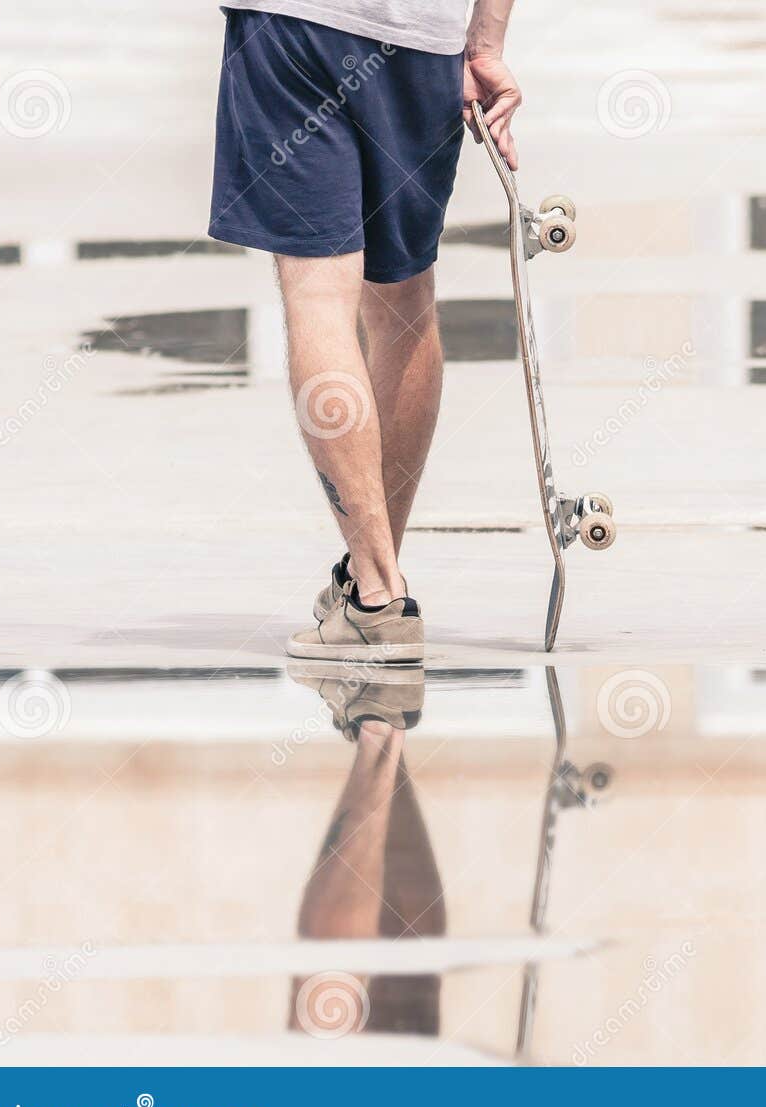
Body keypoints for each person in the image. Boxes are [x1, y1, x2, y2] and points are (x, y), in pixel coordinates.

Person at [208, 0, 524, 663]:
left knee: (321, 295)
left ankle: (377, 591)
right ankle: (374, 580)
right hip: (422, 38)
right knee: (404, 303)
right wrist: (484, 44)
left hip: (296, 24)